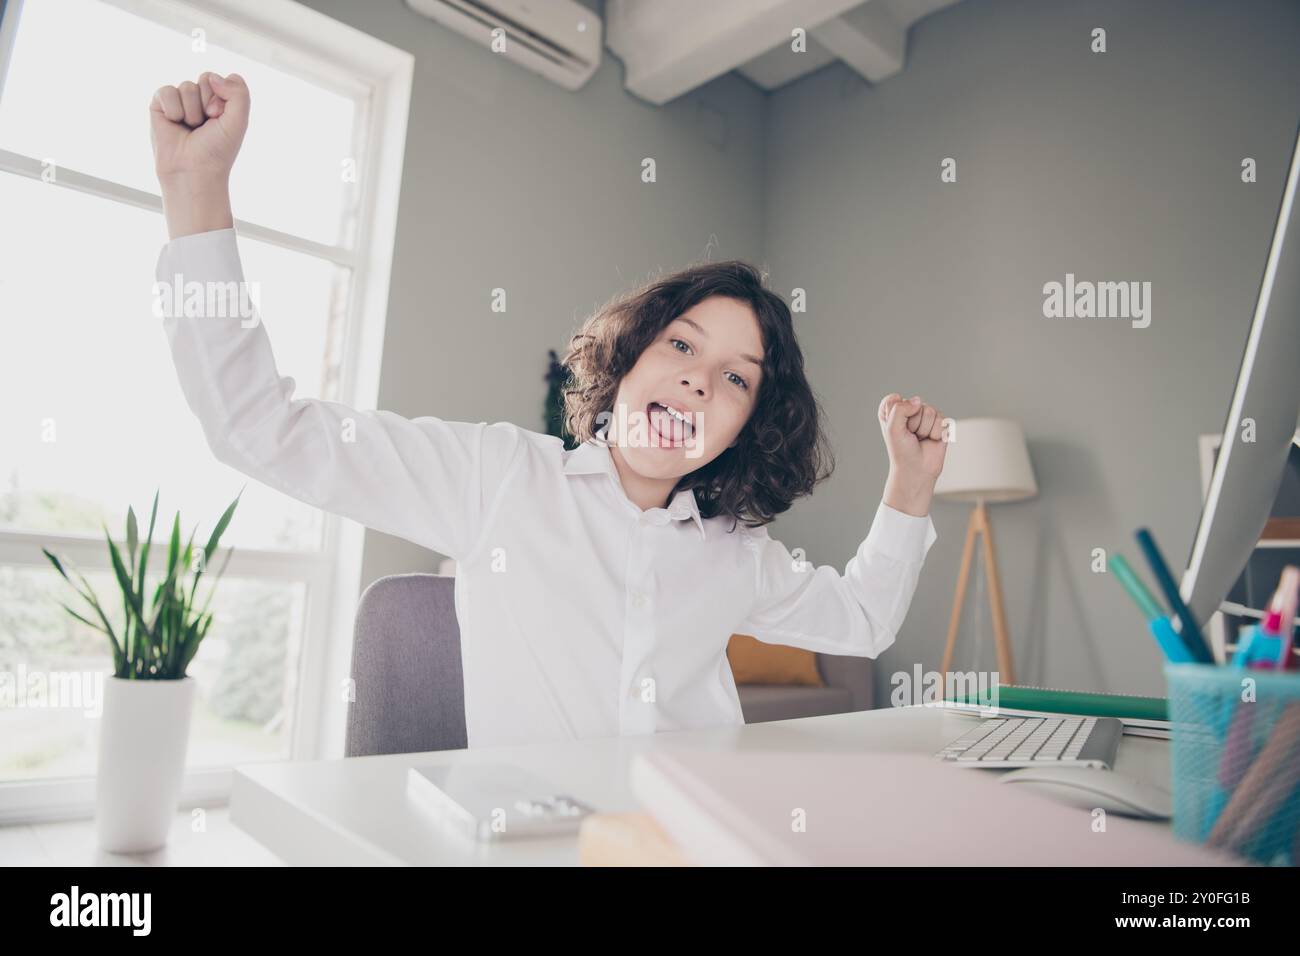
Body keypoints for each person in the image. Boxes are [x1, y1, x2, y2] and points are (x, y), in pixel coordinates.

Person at [149, 72, 949, 748]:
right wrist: (197, 195)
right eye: (681, 347)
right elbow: (259, 428)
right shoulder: (500, 478)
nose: (704, 381)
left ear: (745, 428)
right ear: (630, 353)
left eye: (738, 380)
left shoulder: (736, 553)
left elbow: (861, 621)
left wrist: (909, 485)